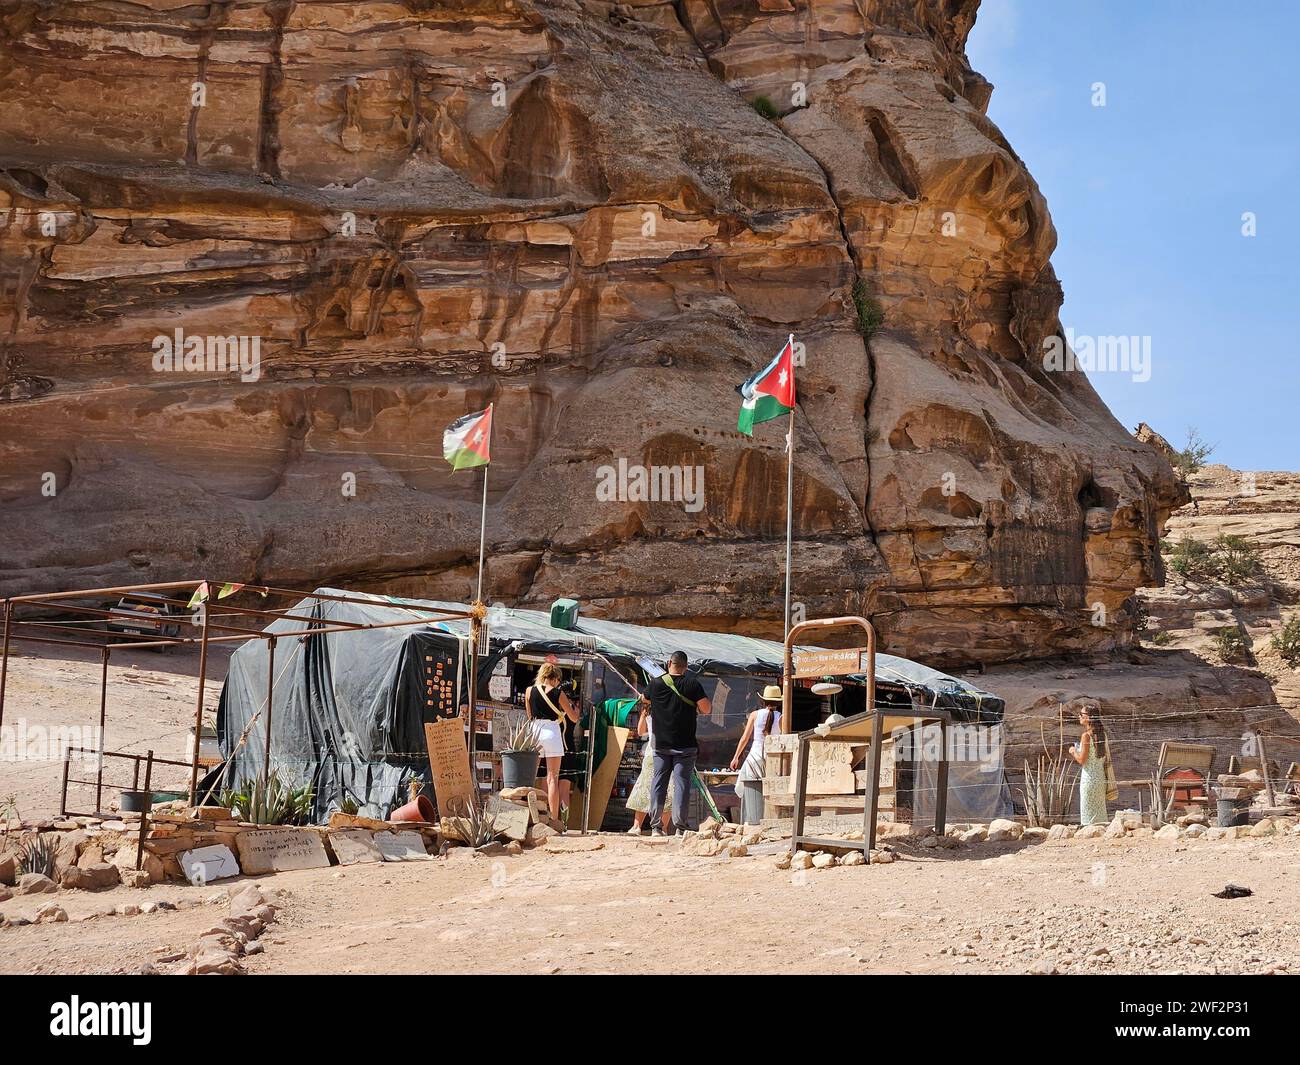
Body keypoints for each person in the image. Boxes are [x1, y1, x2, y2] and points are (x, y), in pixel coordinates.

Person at [646, 651, 711, 836]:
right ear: (686, 666)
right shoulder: (692, 684)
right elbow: (706, 709)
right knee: (681, 785)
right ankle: (680, 828)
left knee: (659, 783)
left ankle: (656, 827)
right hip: (685, 745)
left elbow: (644, 699)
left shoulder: (656, 683)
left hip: (660, 745)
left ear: (669, 663)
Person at [526, 663, 579, 826]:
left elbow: (529, 716)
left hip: (535, 732)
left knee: (531, 777)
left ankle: (529, 817)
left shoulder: (529, 691)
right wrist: (573, 710)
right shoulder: (558, 693)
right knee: (552, 779)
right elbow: (573, 718)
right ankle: (554, 820)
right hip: (552, 733)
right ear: (556, 678)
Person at [729, 684, 783, 825]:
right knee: (770, 792)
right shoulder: (782, 718)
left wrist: (735, 757)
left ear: (763, 701)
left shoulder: (755, 715)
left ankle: (749, 822)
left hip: (754, 758)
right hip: (772, 760)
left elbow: (744, 738)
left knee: (750, 793)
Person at [623, 697, 672, 835]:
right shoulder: (670, 707)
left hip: (652, 750)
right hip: (668, 750)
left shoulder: (648, 710)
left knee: (645, 787)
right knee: (668, 789)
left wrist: (644, 713)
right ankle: (662, 828)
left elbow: (640, 731)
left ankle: (637, 826)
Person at [1069, 703, 1110, 826]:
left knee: (1088, 817)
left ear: (1089, 717)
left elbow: (1082, 760)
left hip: (1089, 779)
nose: (1079, 716)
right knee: (1099, 814)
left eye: (1082, 714)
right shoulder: (1102, 734)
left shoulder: (1086, 736)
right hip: (1100, 778)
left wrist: (1073, 751)